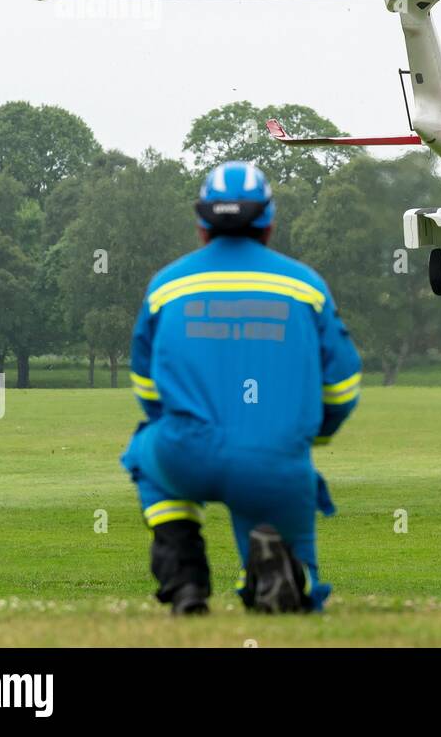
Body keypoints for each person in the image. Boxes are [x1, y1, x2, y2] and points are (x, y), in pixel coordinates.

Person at [121, 161, 362, 615]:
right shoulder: (306, 287)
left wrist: (172, 423)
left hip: (186, 451)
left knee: (144, 453)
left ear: (201, 222)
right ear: (269, 221)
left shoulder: (166, 287)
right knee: (300, 582)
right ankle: (275, 574)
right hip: (278, 461)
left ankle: (187, 582)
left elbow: (146, 384)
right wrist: (314, 434)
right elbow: (344, 385)